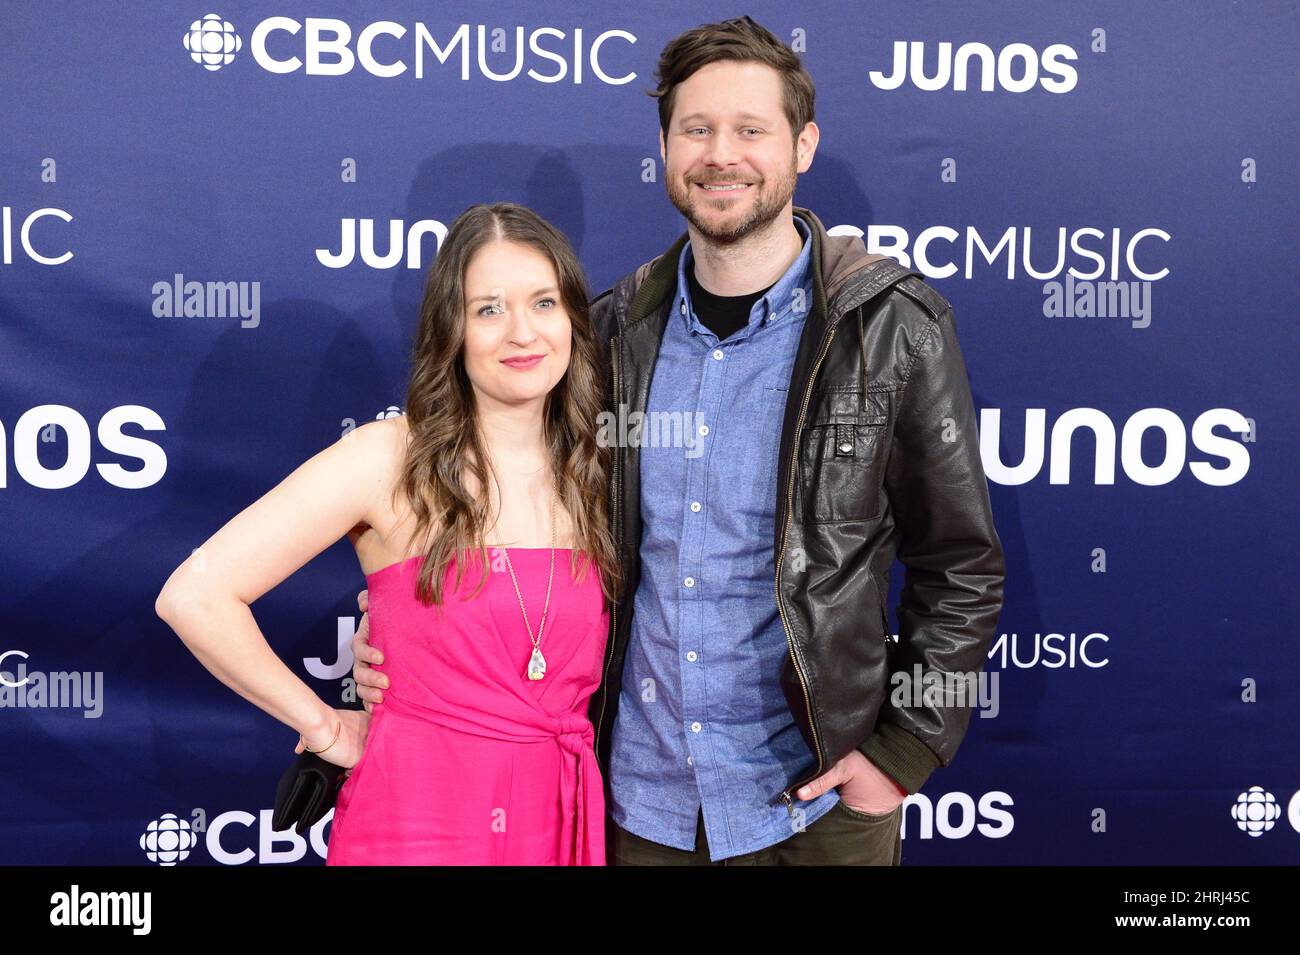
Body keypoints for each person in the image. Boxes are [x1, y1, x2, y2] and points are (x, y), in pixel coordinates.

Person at [353, 16, 1006, 866]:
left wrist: (903, 753)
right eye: (696, 129)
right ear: (665, 150)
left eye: (750, 129)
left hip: (814, 813)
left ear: (803, 145)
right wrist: (408, 638)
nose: (720, 154)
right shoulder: (609, 335)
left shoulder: (891, 328)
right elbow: (514, 512)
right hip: (637, 805)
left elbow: (961, 563)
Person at [156, 202, 621, 865]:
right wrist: (324, 727)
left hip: (555, 817)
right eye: (489, 309)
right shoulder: (388, 458)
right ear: (451, 330)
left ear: (574, 317)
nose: (523, 331)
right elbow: (195, 596)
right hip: (416, 824)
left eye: (543, 302)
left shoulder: (595, 474)